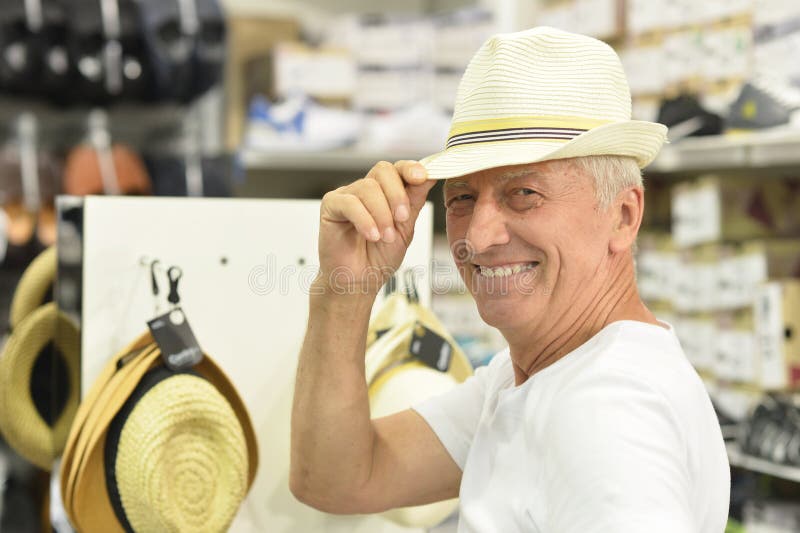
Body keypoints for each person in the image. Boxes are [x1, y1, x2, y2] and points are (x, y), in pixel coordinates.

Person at [290, 26, 730, 532]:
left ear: (623, 216)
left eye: (524, 193)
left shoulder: (607, 411)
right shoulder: (533, 372)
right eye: (462, 198)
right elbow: (334, 478)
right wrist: (344, 287)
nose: (477, 237)